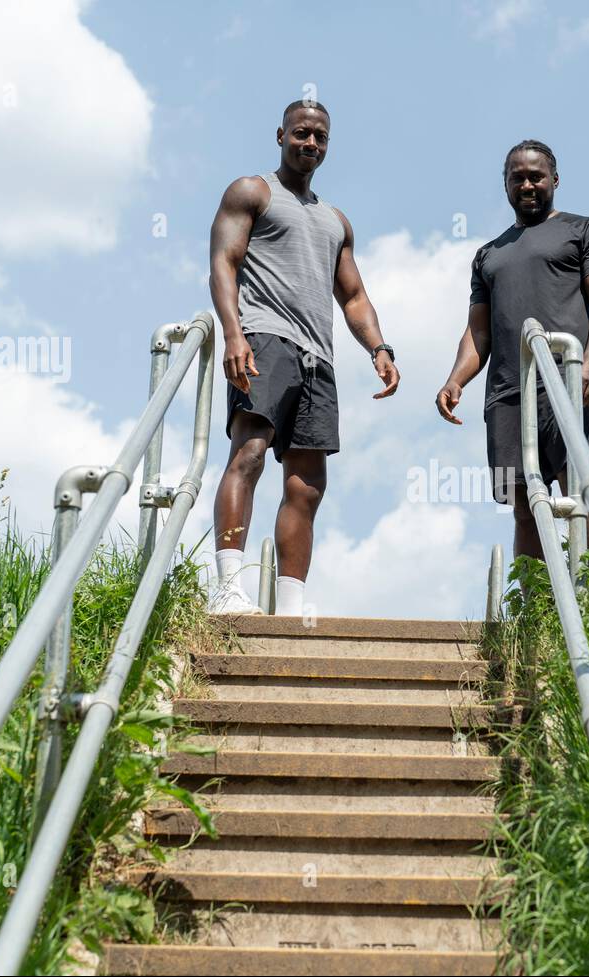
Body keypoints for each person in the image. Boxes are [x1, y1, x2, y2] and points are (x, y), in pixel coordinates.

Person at [207, 100, 399, 615]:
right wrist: (232, 333)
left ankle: (290, 606)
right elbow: (223, 264)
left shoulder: (336, 220)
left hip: (320, 356)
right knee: (248, 454)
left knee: (307, 484)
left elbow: (353, 296)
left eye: (320, 137)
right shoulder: (252, 192)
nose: (310, 143)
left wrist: (378, 348)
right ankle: (228, 588)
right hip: (264, 339)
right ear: (281, 135)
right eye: (301, 134)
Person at [435, 139, 589, 562]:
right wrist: (455, 379)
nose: (528, 184)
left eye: (536, 176)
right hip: (506, 394)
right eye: (517, 177)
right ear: (505, 185)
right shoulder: (488, 255)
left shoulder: (585, 230)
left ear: (554, 179)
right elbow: (478, 332)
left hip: (568, 383)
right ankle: (535, 616)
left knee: (579, 494)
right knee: (524, 505)